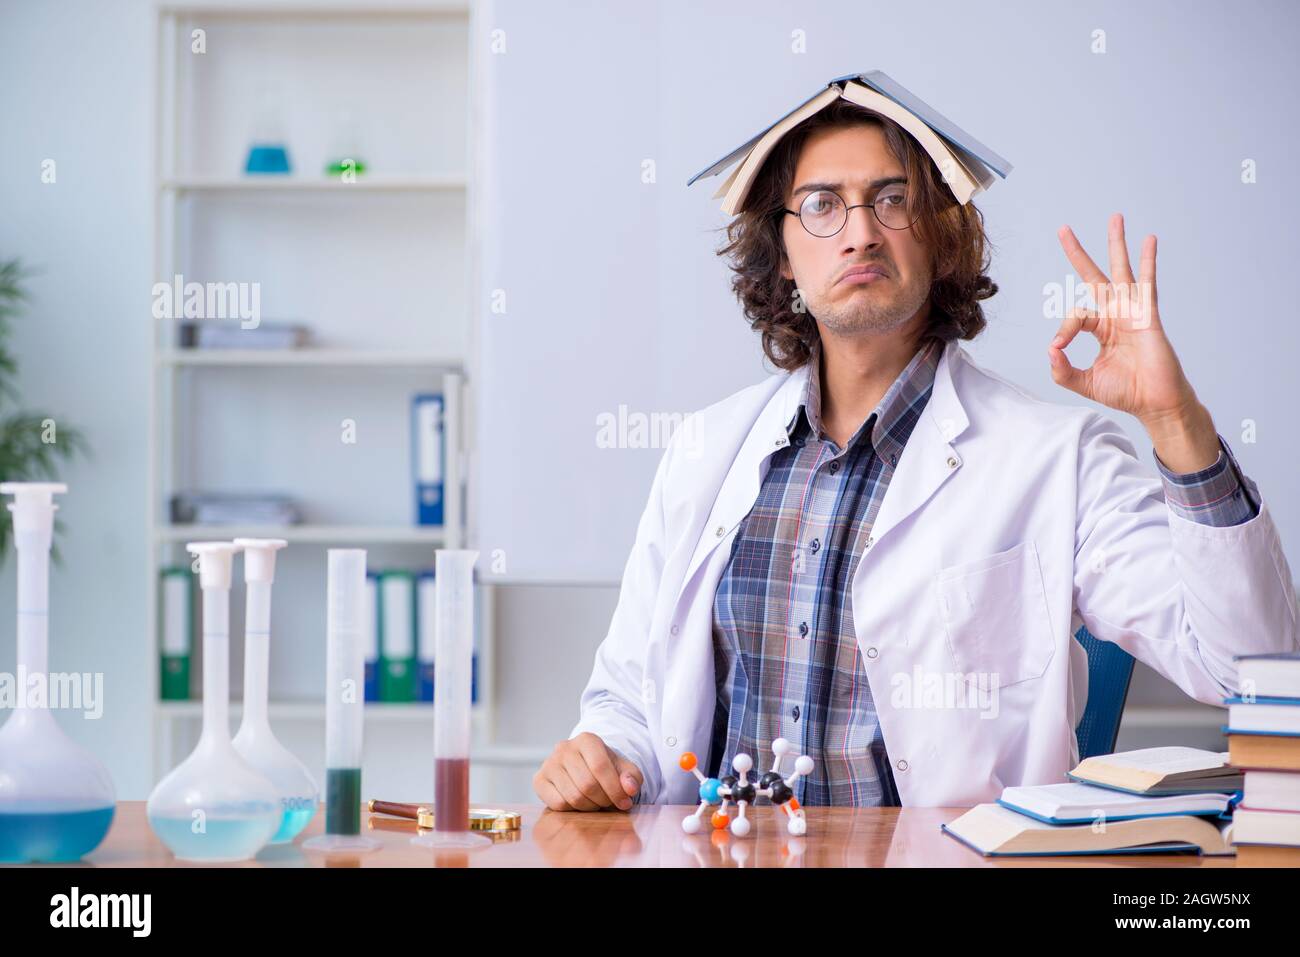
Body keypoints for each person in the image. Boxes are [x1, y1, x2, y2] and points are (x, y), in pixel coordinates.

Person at [533, 98, 1299, 812]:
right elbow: (629, 700)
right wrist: (603, 754)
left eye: (892, 199)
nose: (860, 231)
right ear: (786, 254)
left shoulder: (1056, 457)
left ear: (940, 238)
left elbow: (1250, 670)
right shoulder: (703, 452)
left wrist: (1176, 420)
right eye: (823, 205)